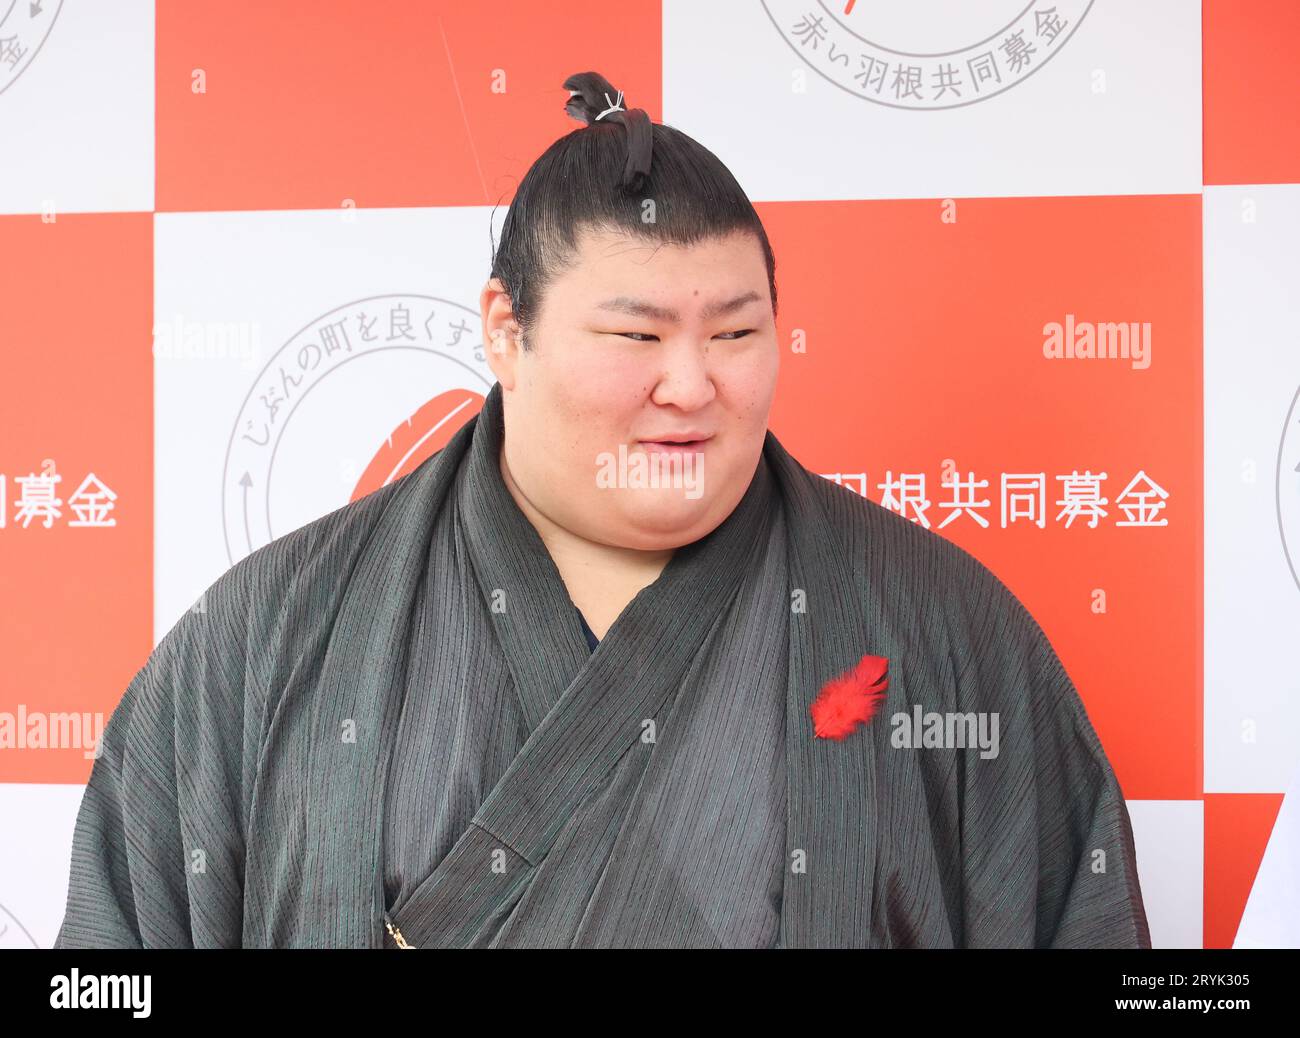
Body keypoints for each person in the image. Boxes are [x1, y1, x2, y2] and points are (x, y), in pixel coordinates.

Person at [53, 71, 1151, 949]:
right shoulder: (264, 640)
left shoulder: (944, 633)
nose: (691, 384)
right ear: (504, 330)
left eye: (734, 334)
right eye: (634, 336)